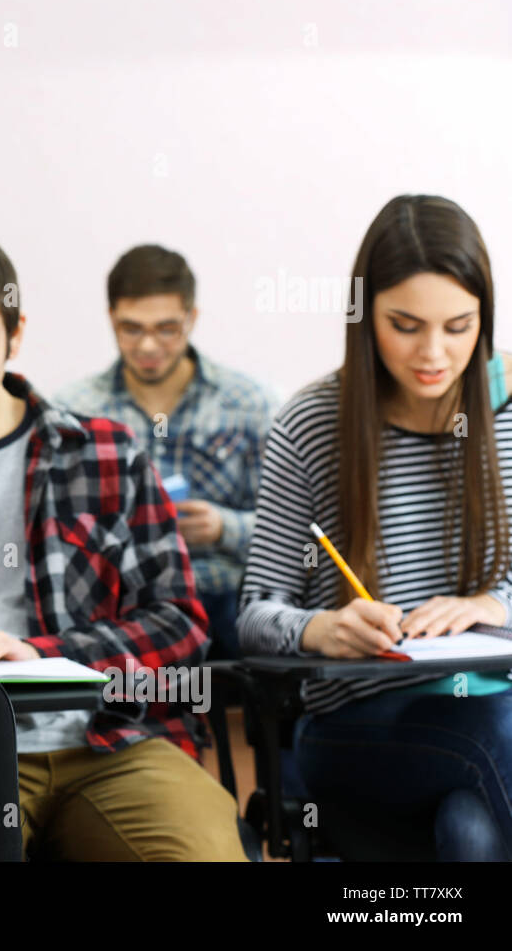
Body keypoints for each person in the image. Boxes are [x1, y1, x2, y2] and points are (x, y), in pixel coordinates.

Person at [0, 221, 247, 860]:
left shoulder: (105, 454)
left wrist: (43, 652)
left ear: (15, 335)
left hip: (109, 742)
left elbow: (181, 625)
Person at [238, 194, 512, 860]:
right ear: (365, 319)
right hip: (357, 724)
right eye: (406, 325)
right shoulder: (312, 424)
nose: (434, 353)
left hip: (495, 706)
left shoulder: (505, 412)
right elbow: (253, 614)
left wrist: (494, 605)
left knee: (471, 833)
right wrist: (321, 630)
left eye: (459, 326)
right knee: (490, 734)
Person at [56, 245, 278, 659]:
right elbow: (56, 532)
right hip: (119, 603)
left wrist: (222, 527)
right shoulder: (76, 410)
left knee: (243, 624)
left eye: (166, 328)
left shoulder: (249, 402)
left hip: (220, 594)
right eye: (131, 328)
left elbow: (293, 530)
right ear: (111, 319)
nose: (148, 345)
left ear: (192, 319)